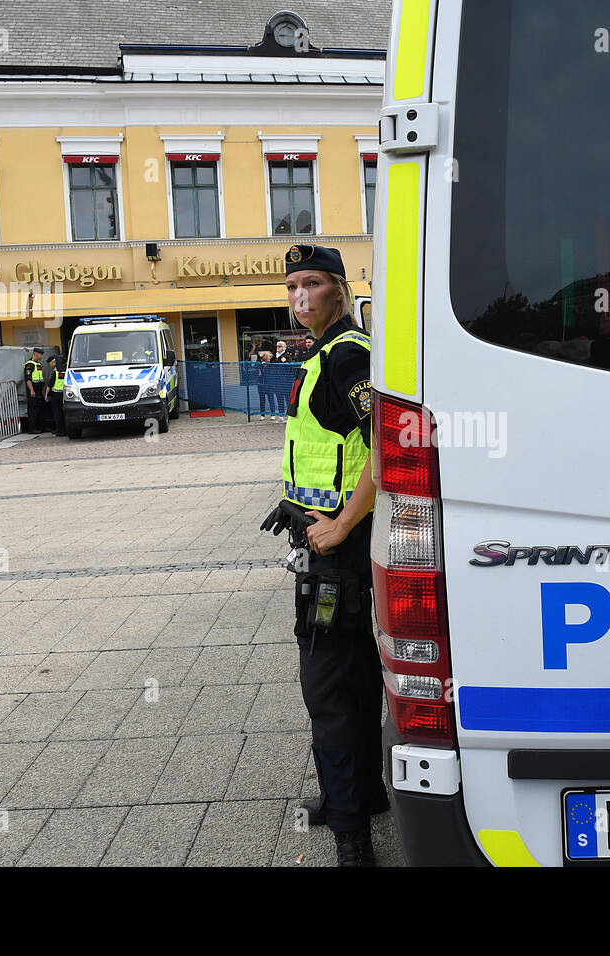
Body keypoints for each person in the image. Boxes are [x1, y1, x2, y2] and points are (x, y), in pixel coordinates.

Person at [261, 243, 386, 866]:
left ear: (340, 290)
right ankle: (366, 792)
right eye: (290, 286)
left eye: (311, 283)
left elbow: (390, 446)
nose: (298, 295)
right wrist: (298, 504)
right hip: (326, 540)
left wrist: (338, 525)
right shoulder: (324, 354)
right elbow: (329, 451)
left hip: (340, 551)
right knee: (356, 672)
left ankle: (350, 831)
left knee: (327, 687)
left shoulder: (348, 357)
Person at [23, 347, 45, 433]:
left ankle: (41, 427)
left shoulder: (38, 364)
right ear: (35, 353)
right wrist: (31, 390)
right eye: (41, 354)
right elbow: (28, 379)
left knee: (40, 409)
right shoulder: (29, 364)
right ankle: (32, 429)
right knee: (33, 410)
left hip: (39, 390)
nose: (42, 356)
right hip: (33, 390)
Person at [46, 355, 67, 436]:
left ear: (54, 362)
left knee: (57, 413)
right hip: (65, 394)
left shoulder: (55, 372)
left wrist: (46, 394)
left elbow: (50, 385)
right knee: (64, 413)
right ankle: (65, 430)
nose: (50, 365)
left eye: (50, 363)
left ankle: (60, 431)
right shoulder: (66, 370)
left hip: (55, 395)